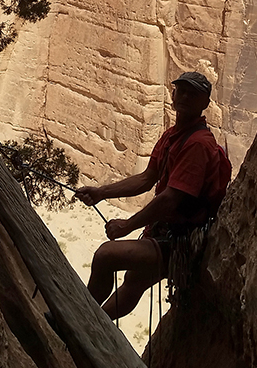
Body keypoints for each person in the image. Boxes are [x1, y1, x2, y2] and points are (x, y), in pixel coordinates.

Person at [75, 71, 231, 319]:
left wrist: (127, 225)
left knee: (106, 256)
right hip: (166, 233)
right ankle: (93, 324)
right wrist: (101, 192)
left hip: (182, 240)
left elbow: (171, 198)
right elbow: (147, 179)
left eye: (194, 94)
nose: (186, 97)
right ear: (173, 95)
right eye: (182, 91)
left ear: (205, 104)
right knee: (133, 283)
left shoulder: (198, 144)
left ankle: (77, 319)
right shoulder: (173, 136)